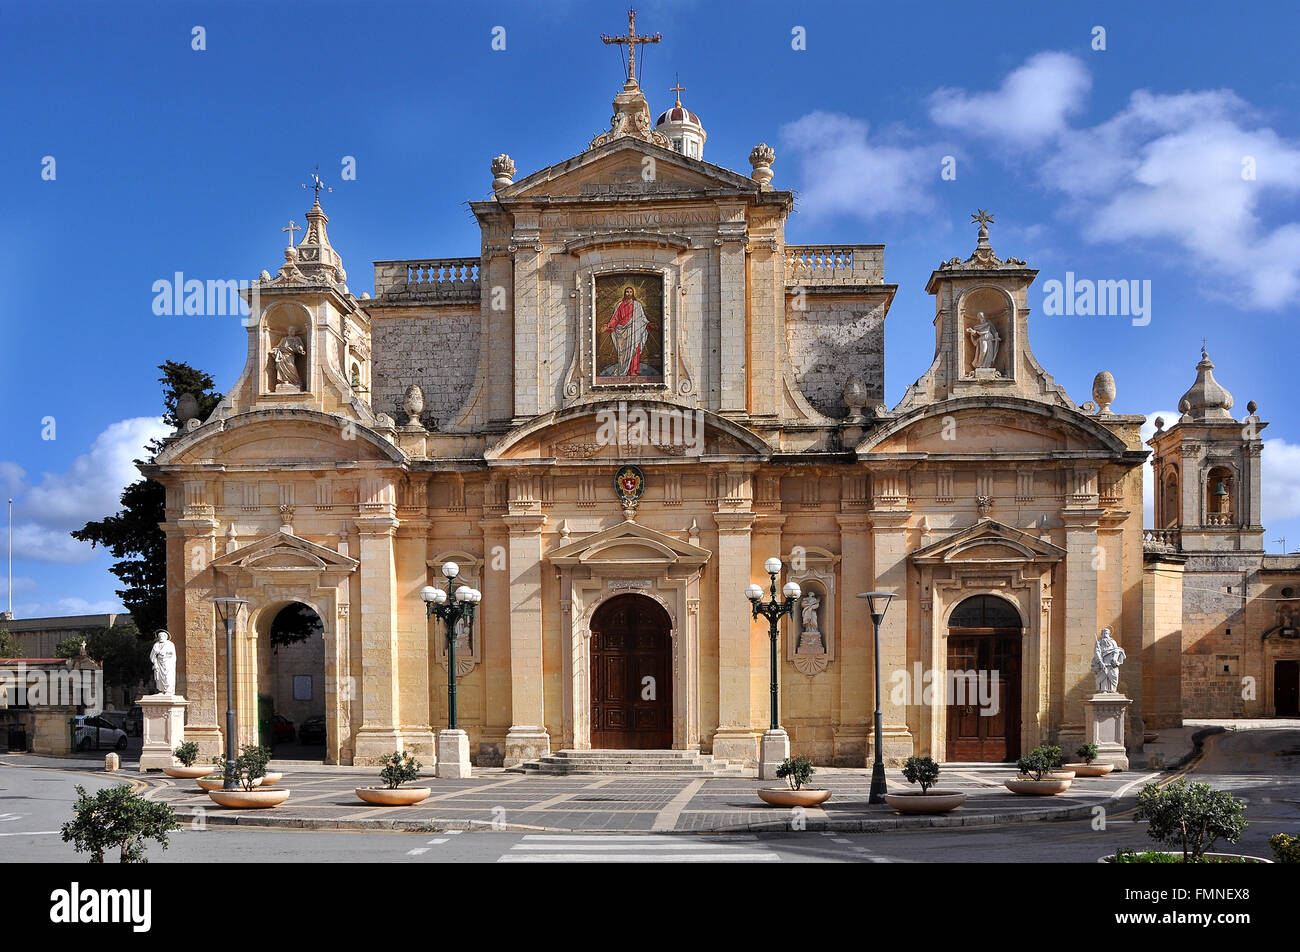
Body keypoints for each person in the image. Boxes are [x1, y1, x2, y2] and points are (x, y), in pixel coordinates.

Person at [604, 286, 655, 376]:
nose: (628, 293)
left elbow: (642, 318)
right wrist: (609, 326)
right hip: (623, 332)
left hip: (635, 330)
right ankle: (624, 371)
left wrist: (649, 324)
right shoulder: (619, 305)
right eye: (627, 292)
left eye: (630, 292)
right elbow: (615, 318)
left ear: (633, 293)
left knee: (635, 350)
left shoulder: (637, 305)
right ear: (624, 293)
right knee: (623, 354)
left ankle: (633, 371)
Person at [1090, 627, 1126, 693]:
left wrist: (1115, 658)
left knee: (1114, 676)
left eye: (1106, 633)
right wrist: (1100, 661)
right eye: (1103, 633)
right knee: (1103, 675)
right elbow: (1097, 651)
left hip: (1111, 663)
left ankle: (1112, 690)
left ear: (1109, 634)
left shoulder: (1113, 641)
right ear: (1101, 634)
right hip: (1103, 661)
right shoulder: (1099, 641)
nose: (1105, 634)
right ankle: (1104, 690)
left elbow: (1116, 649)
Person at [150, 630, 177, 696]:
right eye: (159, 636)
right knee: (159, 677)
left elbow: (172, 654)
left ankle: (168, 690)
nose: (160, 637)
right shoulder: (156, 644)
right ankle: (161, 690)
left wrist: (164, 654)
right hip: (159, 663)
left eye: (162, 636)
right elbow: (152, 655)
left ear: (165, 637)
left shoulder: (170, 644)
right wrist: (155, 663)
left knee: (167, 676)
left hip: (168, 663)